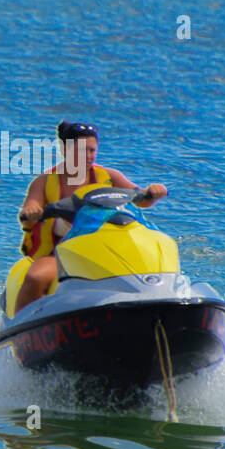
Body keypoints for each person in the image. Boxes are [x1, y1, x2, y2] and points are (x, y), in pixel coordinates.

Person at [14, 121, 167, 311]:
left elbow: (140, 198)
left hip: (103, 249)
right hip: (60, 254)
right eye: (81, 151)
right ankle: (18, 330)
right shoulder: (45, 181)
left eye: (92, 150)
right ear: (65, 150)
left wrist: (152, 192)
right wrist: (32, 211)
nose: (87, 156)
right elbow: (31, 206)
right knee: (35, 277)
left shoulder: (110, 177)